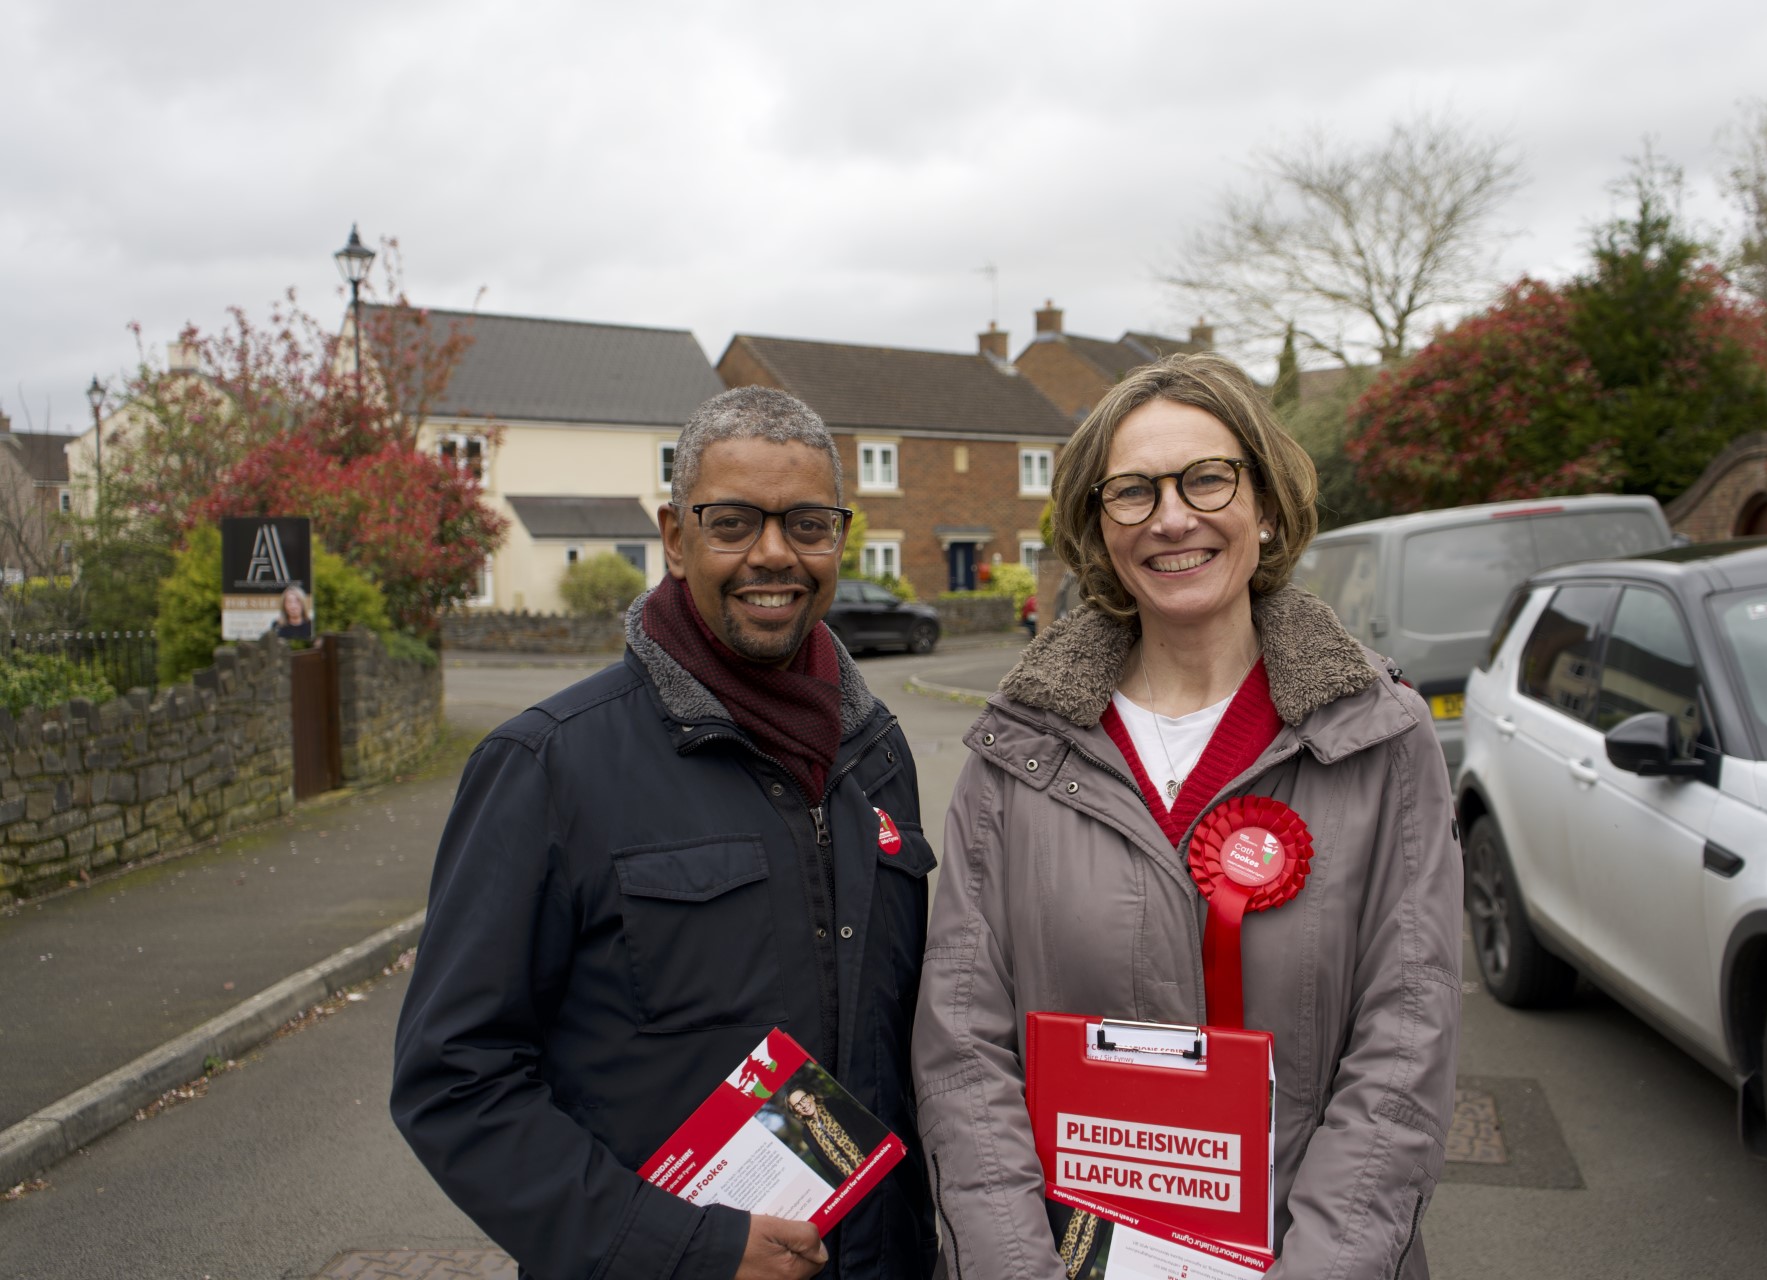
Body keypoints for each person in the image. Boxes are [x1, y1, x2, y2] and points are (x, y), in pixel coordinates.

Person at [911, 353, 1461, 1278]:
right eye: (1131, 492)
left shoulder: (1379, 737)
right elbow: (963, 1047)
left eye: (1208, 478)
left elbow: (1407, 1042)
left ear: (1269, 504)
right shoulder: (1017, 752)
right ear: (1099, 529)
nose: (1172, 517)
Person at [392, 386, 939, 1280]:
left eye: (806, 524)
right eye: (733, 522)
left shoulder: (876, 753)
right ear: (676, 538)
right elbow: (455, 1082)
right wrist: (687, 1250)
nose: (774, 554)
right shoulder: (547, 764)